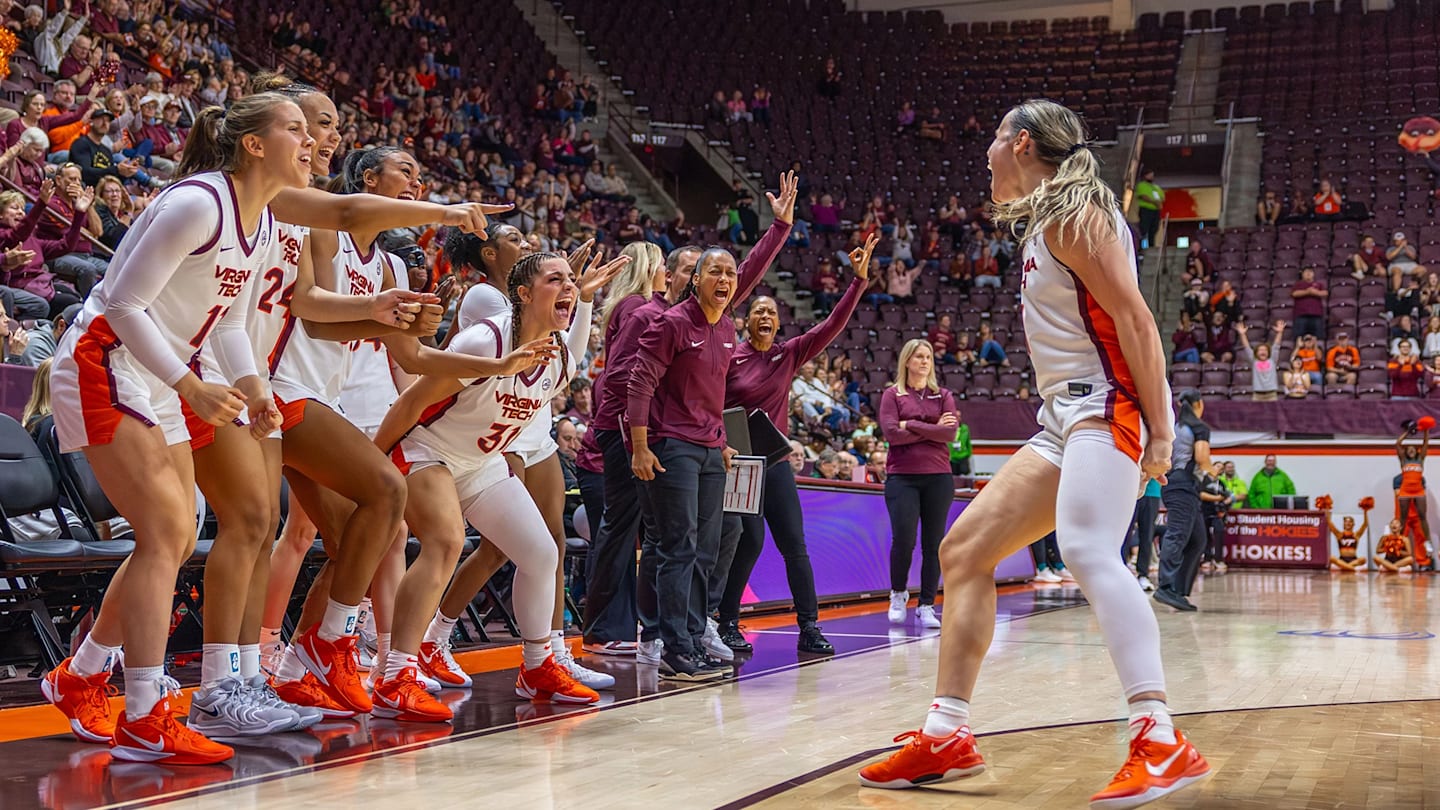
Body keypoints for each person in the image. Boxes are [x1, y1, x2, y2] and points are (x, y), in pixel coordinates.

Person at [860, 101, 1208, 805]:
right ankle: (947, 731)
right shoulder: (1051, 217)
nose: (985, 153)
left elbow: (1138, 321)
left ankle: (1161, 737)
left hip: (1106, 404)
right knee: (962, 554)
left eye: (992, 139)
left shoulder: (1079, 212)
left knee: (1085, 549)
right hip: (1065, 416)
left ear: (1021, 143)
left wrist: (1164, 430)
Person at [42, 92, 314, 766]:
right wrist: (190, 384)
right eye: (296, 129)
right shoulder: (198, 203)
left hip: (162, 372)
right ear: (254, 144)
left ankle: (80, 675)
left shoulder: (262, 221)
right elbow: (123, 301)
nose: (311, 142)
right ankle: (141, 714)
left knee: (176, 534)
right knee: (165, 531)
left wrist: (254, 391)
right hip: (107, 356)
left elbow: (225, 321)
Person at [374, 252, 605, 711]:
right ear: (522, 294)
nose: (568, 287)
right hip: (427, 450)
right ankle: (395, 675)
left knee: (541, 552)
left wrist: (588, 303)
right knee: (446, 542)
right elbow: (410, 405)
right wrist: (372, 464)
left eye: (571, 281)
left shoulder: (557, 358)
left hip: (480, 463)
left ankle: (538, 666)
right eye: (554, 279)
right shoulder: (485, 341)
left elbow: (570, 355)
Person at [717, 233, 875, 656]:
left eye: (771, 312)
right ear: (747, 322)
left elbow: (832, 326)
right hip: (738, 465)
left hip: (775, 464)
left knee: (795, 545)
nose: (765, 316)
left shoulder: (788, 355)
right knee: (746, 542)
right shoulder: (730, 356)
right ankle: (727, 622)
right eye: (757, 312)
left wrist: (857, 282)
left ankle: (809, 626)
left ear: (779, 323)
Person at [878, 339, 956, 629]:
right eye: (919, 357)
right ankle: (898, 595)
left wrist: (909, 424)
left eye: (928, 357)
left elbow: (949, 434)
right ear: (907, 361)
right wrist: (931, 428)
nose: (924, 361)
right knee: (904, 540)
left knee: (933, 544)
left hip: (938, 477)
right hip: (902, 477)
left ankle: (926, 605)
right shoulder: (892, 394)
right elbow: (890, 433)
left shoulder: (943, 395)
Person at [1152, 391, 1210, 611]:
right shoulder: (1199, 427)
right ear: (1199, 404)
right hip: (1183, 485)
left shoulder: (1175, 427)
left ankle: (1178, 590)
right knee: (1177, 534)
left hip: (1174, 485)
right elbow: (1202, 459)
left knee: (1197, 539)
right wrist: (1213, 472)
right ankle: (1166, 586)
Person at [1393, 423, 1432, 571]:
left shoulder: (1420, 460)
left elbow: (1426, 443)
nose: (1410, 450)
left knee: (1422, 516)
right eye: (1407, 449)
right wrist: (1407, 433)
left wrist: (1426, 430)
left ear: (1416, 451)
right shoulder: (1403, 461)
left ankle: (1427, 542)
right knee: (1402, 518)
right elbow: (1397, 443)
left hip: (1418, 490)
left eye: (1412, 449)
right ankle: (1398, 543)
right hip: (1405, 491)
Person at [1126, 478, 1162, 590]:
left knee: (1147, 535)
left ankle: (1143, 575)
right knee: (1125, 534)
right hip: (1130, 491)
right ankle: (1121, 571)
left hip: (1151, 493)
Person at [1198, 461, 1233, 573]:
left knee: (1219, 532)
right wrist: (1217, 498)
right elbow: (1201, 495)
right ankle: (1207, 559)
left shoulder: (1221, 483)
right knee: (1205, 536)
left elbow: (1227, 496)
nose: (1219, 469)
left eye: (1221, 468)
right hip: (1204, 511)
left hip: (1217, 513)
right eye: (1217, 466)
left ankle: (1218, 559)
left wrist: (1225, 504)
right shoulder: (1203, 480)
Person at [1235, 320, 1284, 400]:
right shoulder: (1254, 361)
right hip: (1257, 395)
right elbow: (1247, 347)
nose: (1263, 352)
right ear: (1256, 353)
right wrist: (1242, 334)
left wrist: (1280, 333)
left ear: (1268, 353)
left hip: (1272, 394)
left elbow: (1276, 346)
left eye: (1265, 350)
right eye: (1260, 350)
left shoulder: (1272, 360)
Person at [1134, 168, 1164, 248]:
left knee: (1154, 228)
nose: (1151, 177)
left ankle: (1151, 245)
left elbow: (1162, 197)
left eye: (1152, 175)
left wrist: (1158, 202)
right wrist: (1154, 202)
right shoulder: (1141, 185)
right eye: (1150, 175)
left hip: (1155, 210)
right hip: (1146, 210)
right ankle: (1140, 246)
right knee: (1144, 228)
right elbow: (1143, 196)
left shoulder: (1156, 187)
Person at [949, 410, 972, 476]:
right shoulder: (947, 428)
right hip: (952, 457)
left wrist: (969, 453)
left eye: (959, 416)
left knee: (965, 474)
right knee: (954, 476)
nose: (958, 418)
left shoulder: (965, 428)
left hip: (963, 456)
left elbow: (968, 442)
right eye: (956, 416)